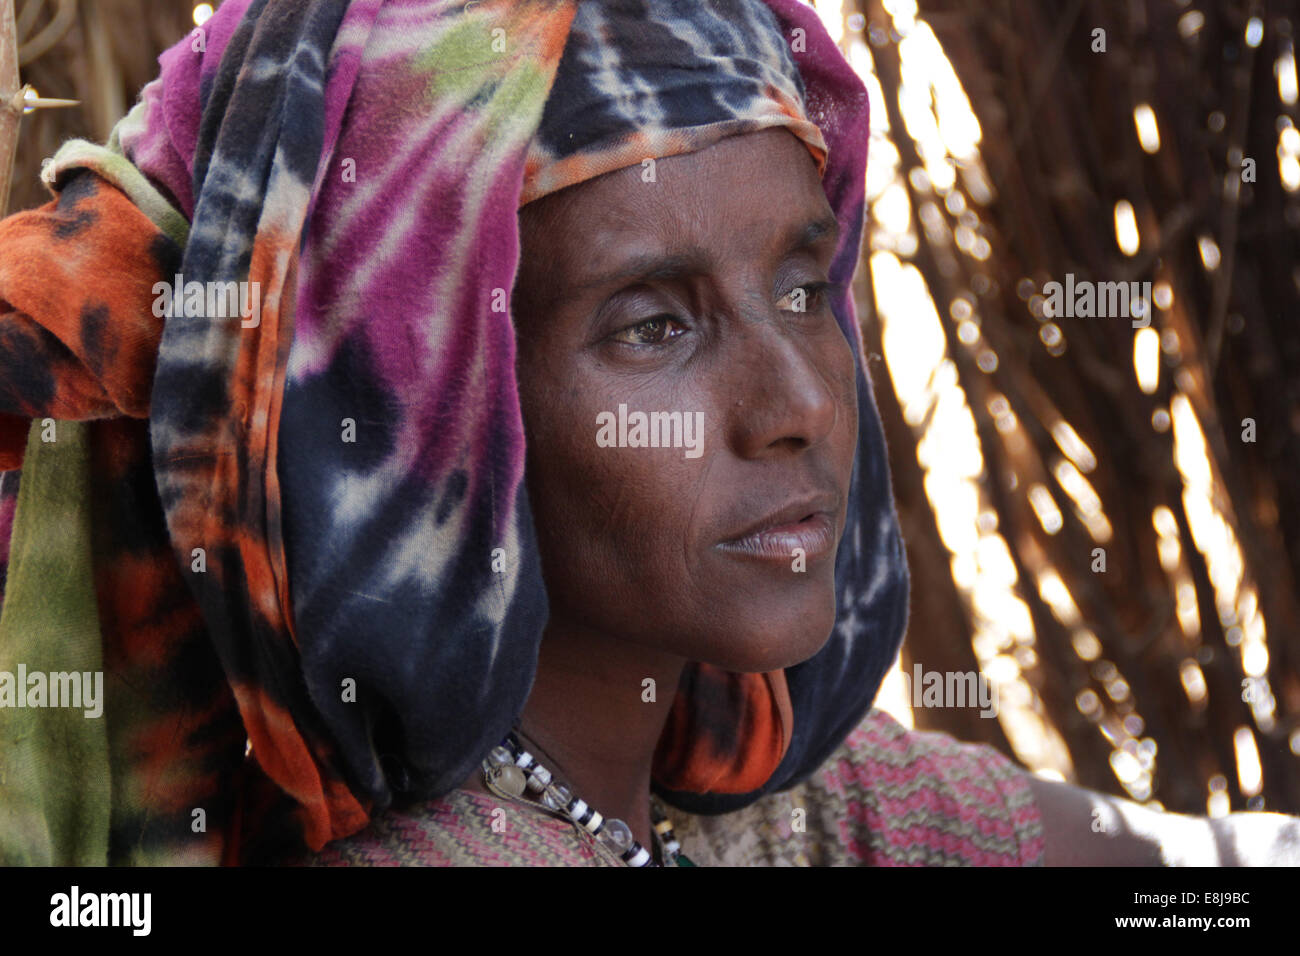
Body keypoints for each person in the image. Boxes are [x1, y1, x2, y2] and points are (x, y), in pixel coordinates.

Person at [0, 0, 1296, 867]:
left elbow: (1181, 864)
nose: (795, 405)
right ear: (446, 424)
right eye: (652, 329)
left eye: (800, 287)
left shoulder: (756, 796)